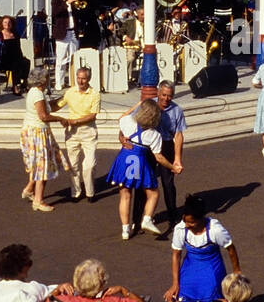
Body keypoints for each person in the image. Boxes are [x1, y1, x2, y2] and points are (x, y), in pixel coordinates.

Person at [107, 98, 179, 240]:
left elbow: (121, 117)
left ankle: (125, 230)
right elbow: (159, 158)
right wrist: (173, 167)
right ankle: (146, 218)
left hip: (124, 160)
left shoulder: (128, 122)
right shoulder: (155, 135)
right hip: (140, 162)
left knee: (125, 195)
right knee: (153, 193)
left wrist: (138, 104)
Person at [165, 195, 240, 302]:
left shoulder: (215, 230)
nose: (187, 225)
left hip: (211, 271)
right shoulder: (180, 229)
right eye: (185, 221)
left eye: (192, 222)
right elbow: (176, 255)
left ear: (201, 219)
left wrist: (237, 271)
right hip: (189, 269)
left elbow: (230, 249)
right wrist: (175, 283)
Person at [19, 67, 70, 213]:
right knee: (43, 166)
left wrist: (65, 98)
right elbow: (44, 116)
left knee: (39, 164)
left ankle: (29, 189)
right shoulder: (38, 94)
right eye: (47, 78)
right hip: (37, 133)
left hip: (35, 130)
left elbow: (50, 107)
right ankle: (38, 201)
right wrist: (61, 119)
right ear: (42, 80)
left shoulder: (36, 92)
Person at [59, 66, 101, 202]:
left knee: (89, 165)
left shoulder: (95, 94)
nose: (80, 81)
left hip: (88, 131)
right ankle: (75, 192)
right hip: (72, 133)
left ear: (88, 79)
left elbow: (92, 116)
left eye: (83, 78)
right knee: (73, 164)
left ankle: (90, 192)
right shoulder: (70, 92)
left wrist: (75, 121)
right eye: (78, 78)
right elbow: (57, 104)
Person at [154, 81, 187, 227]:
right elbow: (130, 119)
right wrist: (122, 136)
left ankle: (173, 216)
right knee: (145, 184)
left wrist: (177, 159)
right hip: (149, 147)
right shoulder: (149, 105)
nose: (166, 99)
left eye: (169, 96)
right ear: (158, 93)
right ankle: (138, 220)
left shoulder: (177, 110)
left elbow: (178, 135)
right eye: (163, 95)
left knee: (168, 183)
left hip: (166, 145)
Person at [51, 0, 82, 92]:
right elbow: (55, 13)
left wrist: (76, 6)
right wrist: (67, 3)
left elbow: (78, 15)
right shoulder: (57, 1)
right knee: (61, 59)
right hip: (62, 34)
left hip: (73, 32)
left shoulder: (73, 2)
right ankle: (59, 83)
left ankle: (73, 82)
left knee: (73, 58)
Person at [0, 15, 30, 94]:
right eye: (5, 22)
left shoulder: (15, 34)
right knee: (16, 64)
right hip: (3, 60)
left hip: (15, 58)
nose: (7, 24)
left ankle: (24, 81)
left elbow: (18, 48)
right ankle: (15, 86)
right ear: (2, 24)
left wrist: (21, 56)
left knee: (26, 61)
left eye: (9, 22)